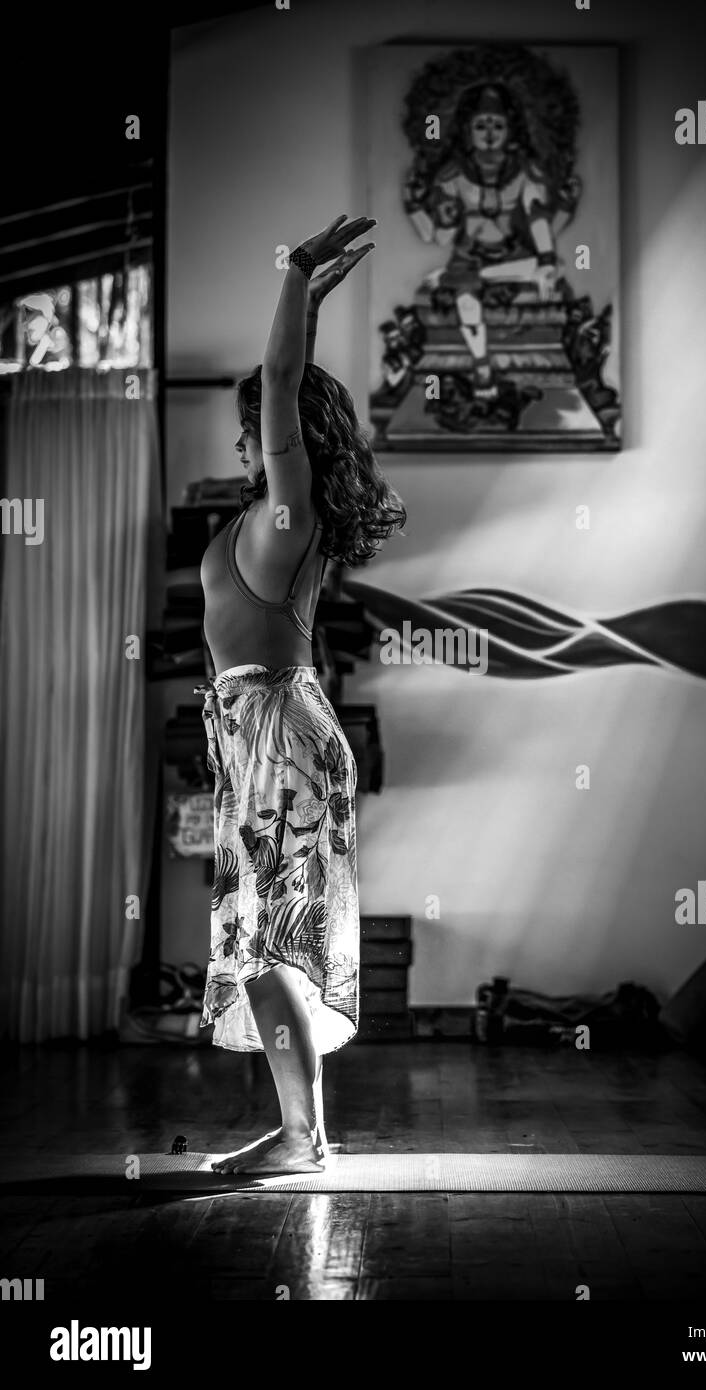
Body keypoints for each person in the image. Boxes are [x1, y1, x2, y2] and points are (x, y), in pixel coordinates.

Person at [197, 215, 406, 1174]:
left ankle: (300, 1141)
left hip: (277, 725)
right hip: (263, 730)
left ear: (275, 443)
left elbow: (282, 386)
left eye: (255, 431)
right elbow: (291, 384)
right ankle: (302, 1136)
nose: (246, 439)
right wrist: (307, 304)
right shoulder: (274, 518)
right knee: (265, 939)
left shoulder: (286, 515)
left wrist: (296, 270)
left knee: (266, 942)